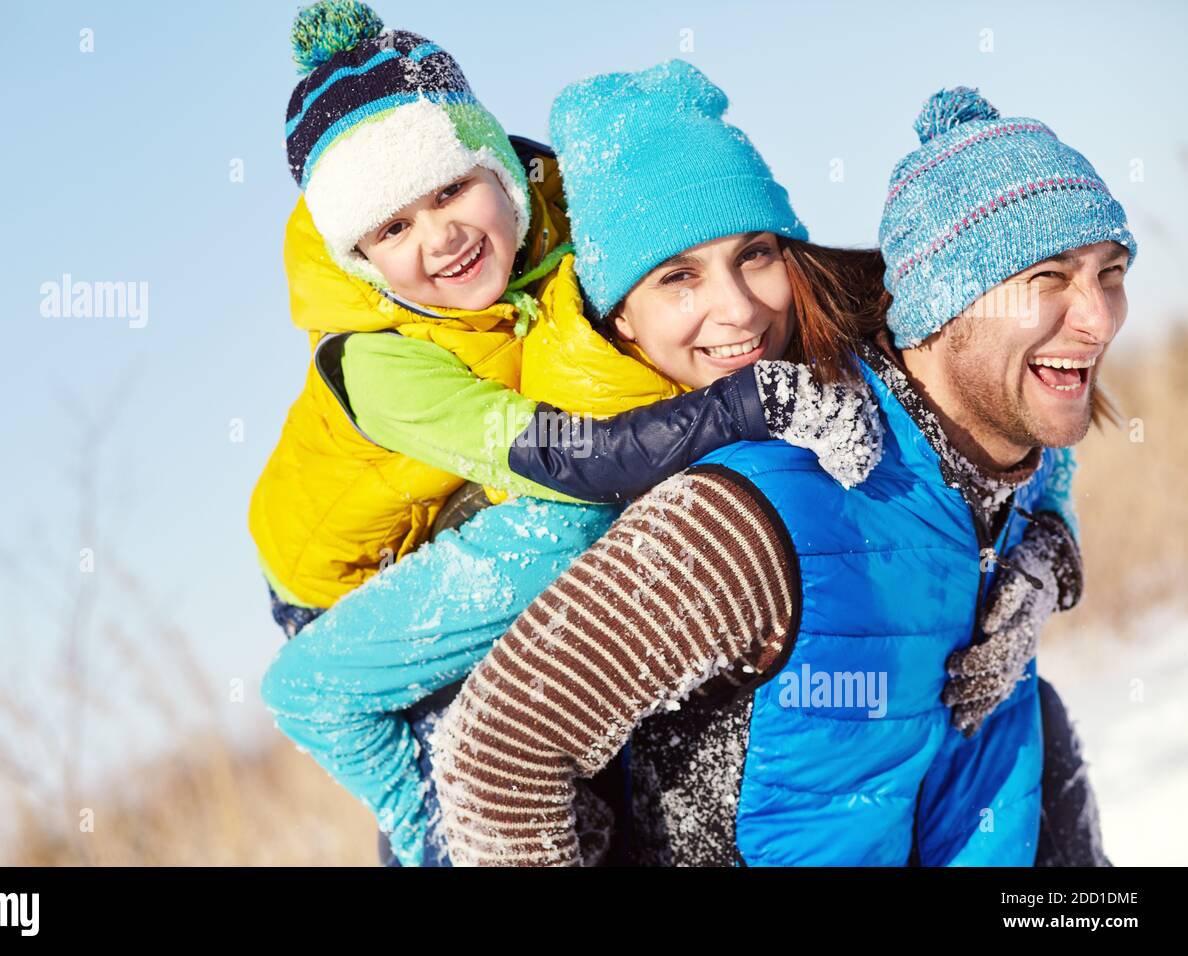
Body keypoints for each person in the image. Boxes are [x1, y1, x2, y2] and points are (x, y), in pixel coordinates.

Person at [430, 82, 1130, 867]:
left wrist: (1045, 553)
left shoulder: (948, 426)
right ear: (618, 317)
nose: (736, 311)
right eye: (1046, 278)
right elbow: (498, 749)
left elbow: (1022, 437)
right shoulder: (724, 507)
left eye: (1111, 273)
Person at [254, 7, 879, 866]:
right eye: (393, 228)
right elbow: (566, 458)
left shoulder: (553, 216)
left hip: (471, 507)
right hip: (340, 586)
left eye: (450, 189)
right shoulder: (377, 365)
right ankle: (425, 837)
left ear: (499, 167)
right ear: (360, 256)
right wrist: (745, 405)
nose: (441, 239)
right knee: (381, 713)